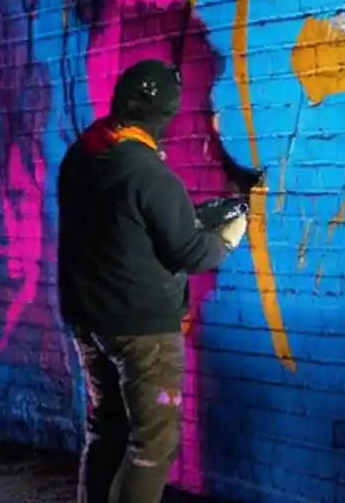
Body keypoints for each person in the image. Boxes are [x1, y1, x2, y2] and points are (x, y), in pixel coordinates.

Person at [56, 59, 248, 503]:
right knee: (151, 446)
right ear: (164, 115)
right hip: (141, 331)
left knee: (105, 430)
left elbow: (125, 225)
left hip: (88, 320)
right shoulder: (151, 176)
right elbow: (191, 253)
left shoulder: (82, 156)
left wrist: (185, 219)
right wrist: (228, 236)